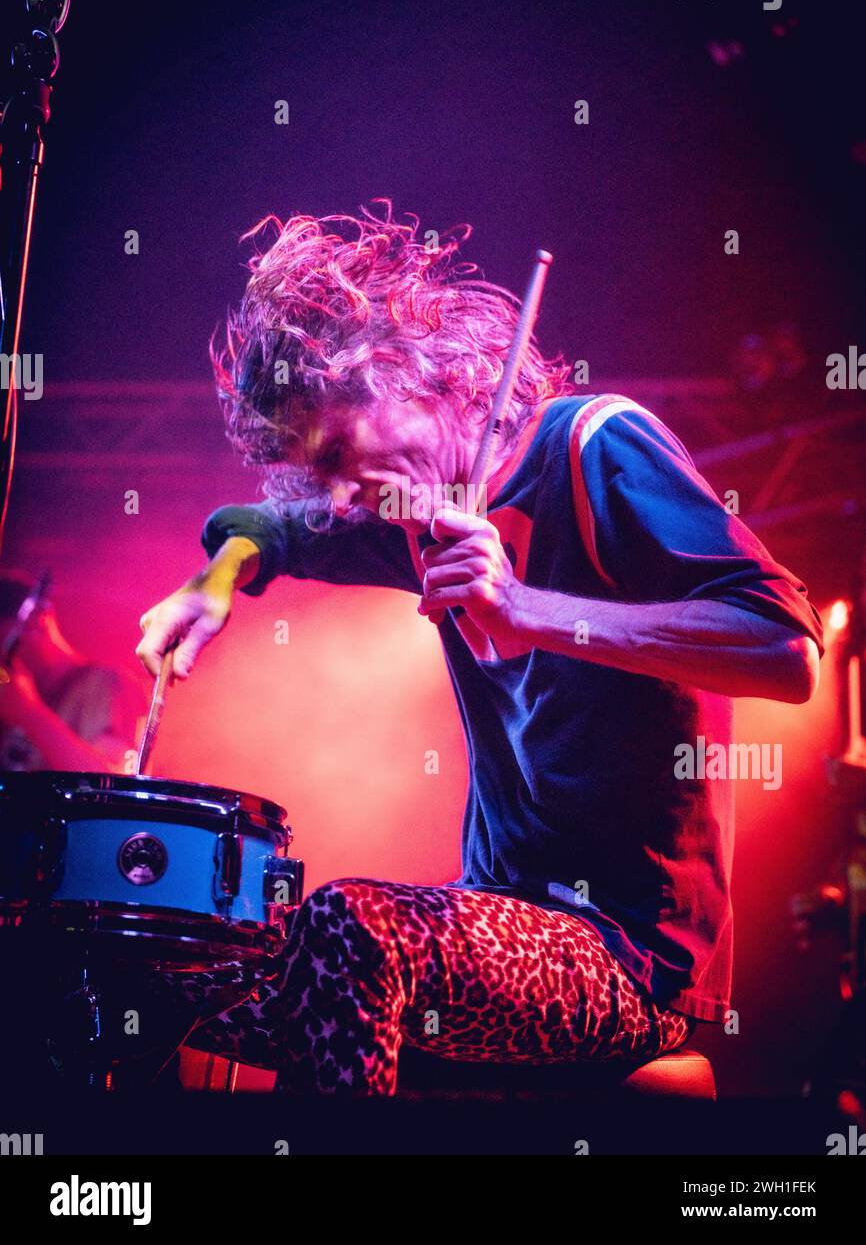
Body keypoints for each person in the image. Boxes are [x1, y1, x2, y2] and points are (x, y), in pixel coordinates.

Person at [136, 206, 823, 1096]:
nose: (341, 497)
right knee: (167, 966)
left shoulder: (592, 445)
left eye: (340, 451)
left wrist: (529, 611)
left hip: (628, 955)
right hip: (492, 926)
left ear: (405, 375)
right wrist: (219, 576)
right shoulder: (412, 516)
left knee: (350, 927)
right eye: (320, 475)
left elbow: (783, 644)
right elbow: (272, 527)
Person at [0, 569, 145, 774]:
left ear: (36, 618)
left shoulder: (106, 683)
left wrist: (30, 714)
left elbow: (113, 783)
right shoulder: (23, 690)